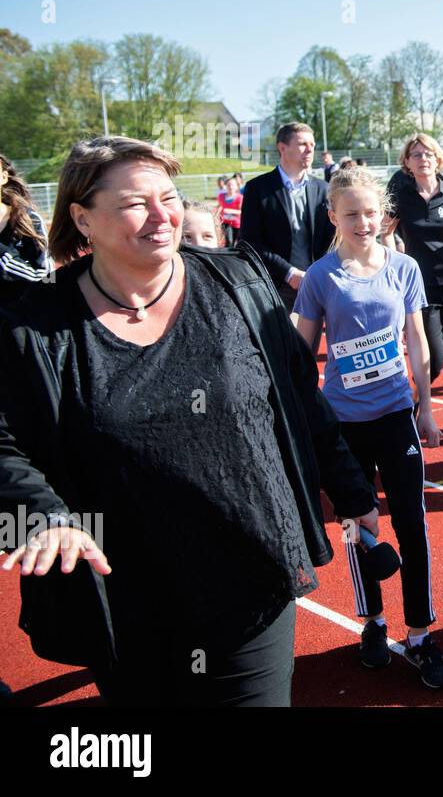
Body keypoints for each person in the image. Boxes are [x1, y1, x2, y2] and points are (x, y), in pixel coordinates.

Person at [0, 136, 379, 706]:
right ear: (82, 217)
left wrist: (350, 488)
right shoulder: (34, 327)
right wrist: (45, 517)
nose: (162, 216)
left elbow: (299, 397)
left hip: (251, 575)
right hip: (124, 595)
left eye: (169, 197)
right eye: (135, 203)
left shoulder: (241, 286)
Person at [294, 165, 443, 688]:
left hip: (396, 415)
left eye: (370, 212)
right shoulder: (320, 277)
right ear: (333, 216)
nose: (364, 222)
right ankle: (374, 623)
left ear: (384, 213)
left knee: (412, 522)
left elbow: (417, 343)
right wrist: (307, 420)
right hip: (345, 422)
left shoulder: (404, 267)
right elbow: (300, 353)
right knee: (360, 528)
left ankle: (421, 633)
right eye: (351, 213)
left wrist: (426, 406)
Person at [383, 134, 443, 448]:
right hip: (422, 291)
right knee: (434, 360)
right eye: (415, 154)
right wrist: (389, 259)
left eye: (428, 153)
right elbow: (380, 230)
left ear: (438, 159)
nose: (422, 158)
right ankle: (415, 408)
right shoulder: (401, 196)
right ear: (407, 163)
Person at [240, 122, 334, 312]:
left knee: (310, 342)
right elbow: (250, 241)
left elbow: (331, 238)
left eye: (312, 145)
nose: (309, 150)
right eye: (302, 144)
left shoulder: (323, 188)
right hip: (274, 285)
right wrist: (289, 273)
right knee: (277, 342)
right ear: (282, 148)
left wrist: (318, 272)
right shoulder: (258, 189)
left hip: (316, 283)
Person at [0, 153, 51, 307]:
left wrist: (2, 254)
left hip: (18, 321)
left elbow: (45, 277)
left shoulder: (29, 221)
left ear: (3, 177)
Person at [216, 172, 243, 246]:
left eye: (232, 185)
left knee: (237, 242)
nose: (230, 186)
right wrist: (216, 214)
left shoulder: (239, 197)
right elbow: (219, 206)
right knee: (229, 241)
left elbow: (242, 212)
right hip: (226, 222)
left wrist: (230, 211)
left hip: (237, 224)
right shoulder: (221, 196)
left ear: (236, 187)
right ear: (226, 186)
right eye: (228, 185)